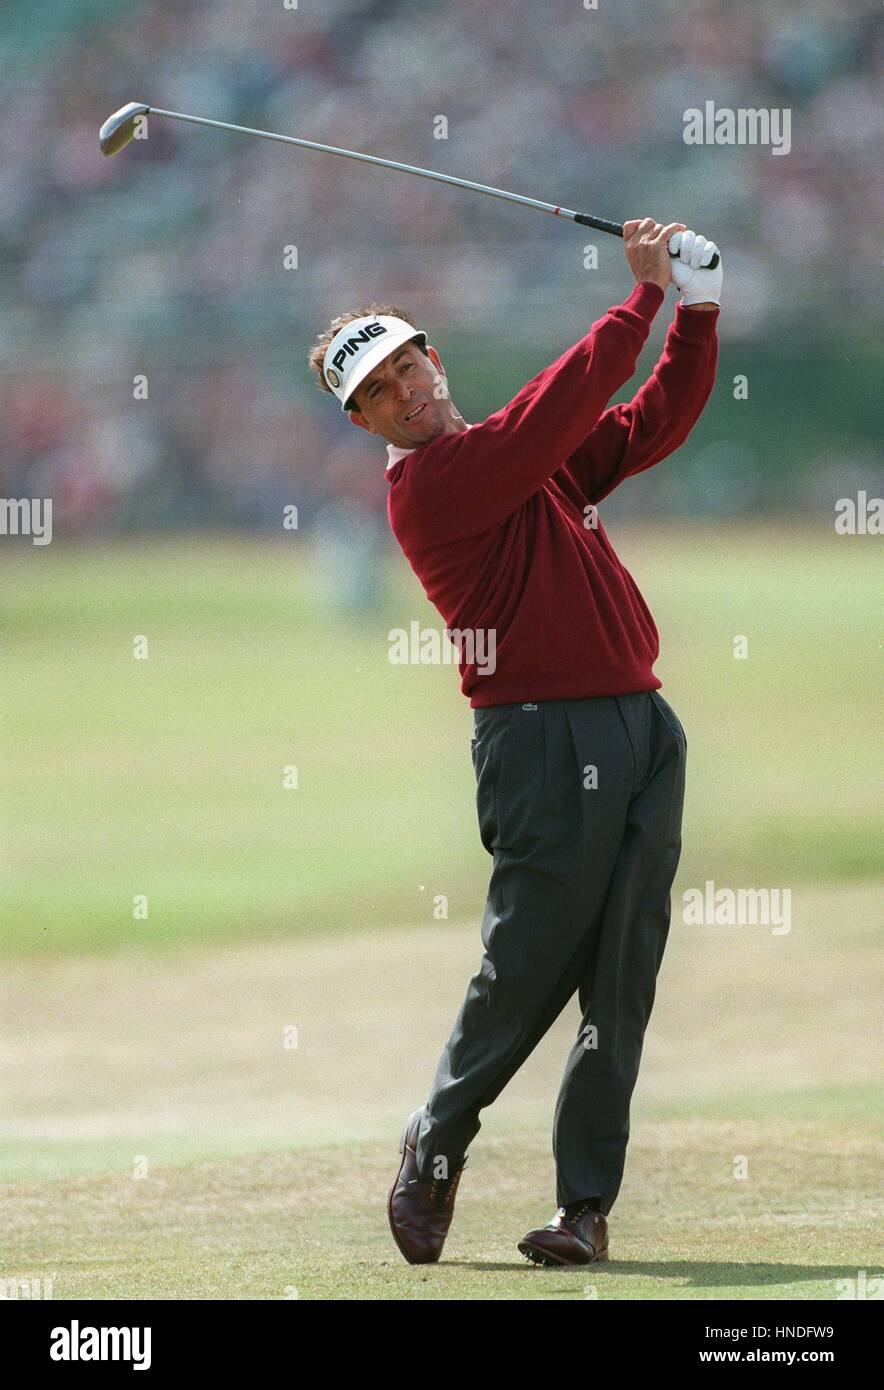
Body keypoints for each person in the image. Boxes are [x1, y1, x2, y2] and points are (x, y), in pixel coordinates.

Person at [307, 218, 721, 1266]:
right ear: (364, 422)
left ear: (432, 358)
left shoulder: (511, 460)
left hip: (640, 728)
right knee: (526, 969)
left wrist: (699, 313)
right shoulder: (437, 486)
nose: (407, 388)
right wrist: (641, 297)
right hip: (540, 744)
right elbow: (562, 405)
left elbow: (640, 426)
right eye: (381, 390)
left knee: (619, 981)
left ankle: (583, 1207)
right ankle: (436, 1141)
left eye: (410, 362)